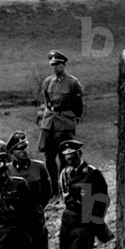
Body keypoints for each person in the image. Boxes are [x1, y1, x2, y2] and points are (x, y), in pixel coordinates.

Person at [37, 50, 85, 195]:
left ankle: (65, 184)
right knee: (48, 155)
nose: (54, 68)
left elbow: (79, 105)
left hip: (64, 122)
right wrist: (44, 117)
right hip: (49, 122)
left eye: (57, 64)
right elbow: (46, 101)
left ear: (63, 65)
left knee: (65, 155)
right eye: (52, 65)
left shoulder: (72, 83)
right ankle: (53, 186)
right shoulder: (48, 82)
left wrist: (73, 118)